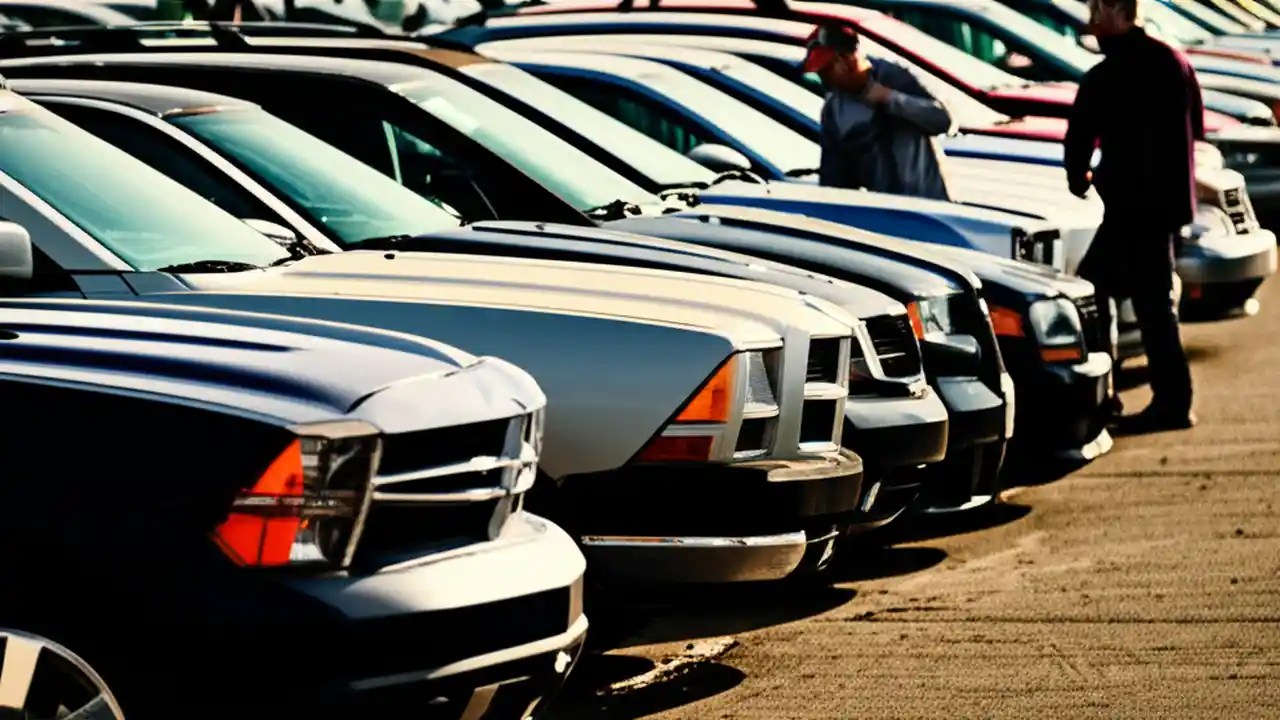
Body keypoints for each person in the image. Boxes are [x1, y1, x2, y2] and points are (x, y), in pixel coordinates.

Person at [1065, 0, 1199, 433]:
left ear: (1116, 12)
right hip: (1164, 208)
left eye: (1096, 13)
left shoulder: (1112, 72)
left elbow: (1079, 137)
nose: (1090, 24)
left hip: (1130, 208)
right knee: (1152, 303)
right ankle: (1167, 400)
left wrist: (1081, 177)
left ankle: (1114, 395)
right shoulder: (1173, 62)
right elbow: (1194, 125)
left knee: (1098, 290)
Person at [802, 22, 955, 201]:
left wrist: (890, 99)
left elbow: (945, 120)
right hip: (886, 212)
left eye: (827, 70)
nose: (824, 78)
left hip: (931, 206)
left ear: (847, 59)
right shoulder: (834, 110)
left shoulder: (897, 76)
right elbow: (834, 181)